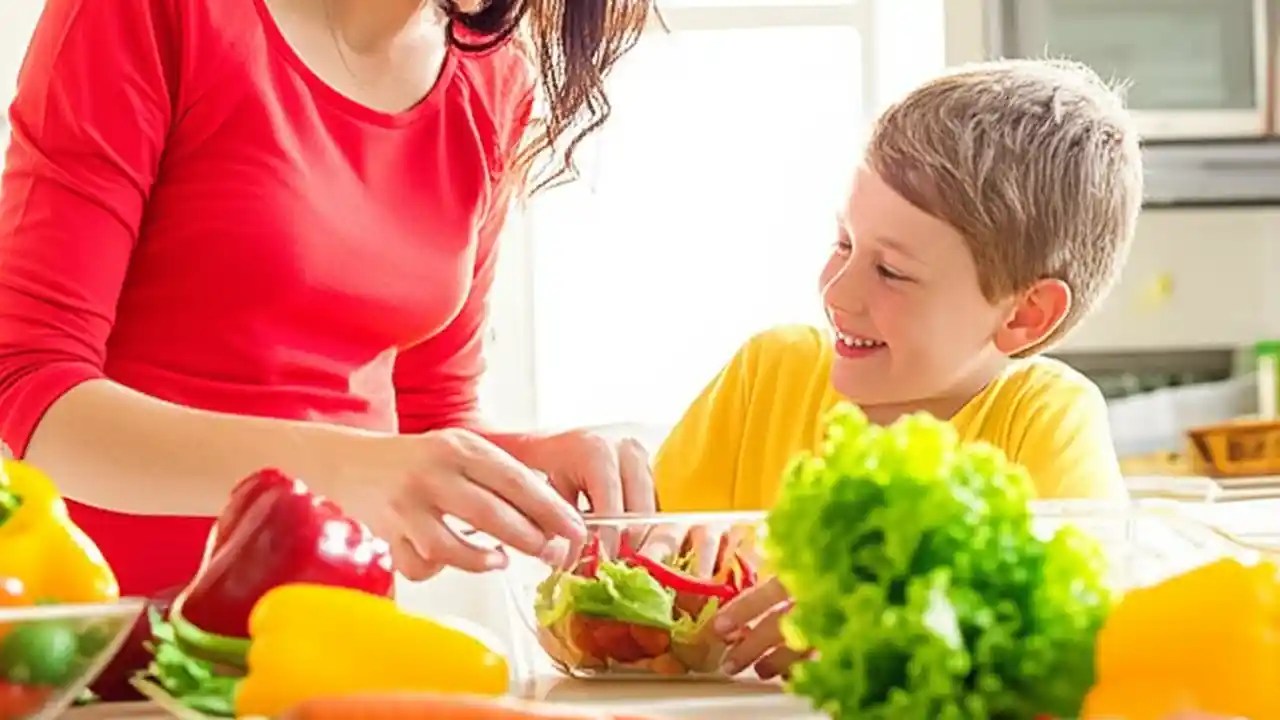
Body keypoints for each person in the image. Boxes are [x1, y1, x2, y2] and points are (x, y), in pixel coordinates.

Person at [0, 0, 656, 598]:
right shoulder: (151, 13)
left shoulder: (490, 76)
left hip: (329, 642)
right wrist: (347, 471)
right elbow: (31, 387)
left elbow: (430, 422)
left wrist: (537, 463)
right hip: (95, 648)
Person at [652, 59, 1143, 678]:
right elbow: (645, 565)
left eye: (891, 273)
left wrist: (893, 621)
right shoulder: (766, 376)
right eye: (844, 243)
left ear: (1024, 313)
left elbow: (1078, 633)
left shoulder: (1045, 417)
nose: (837, 291)